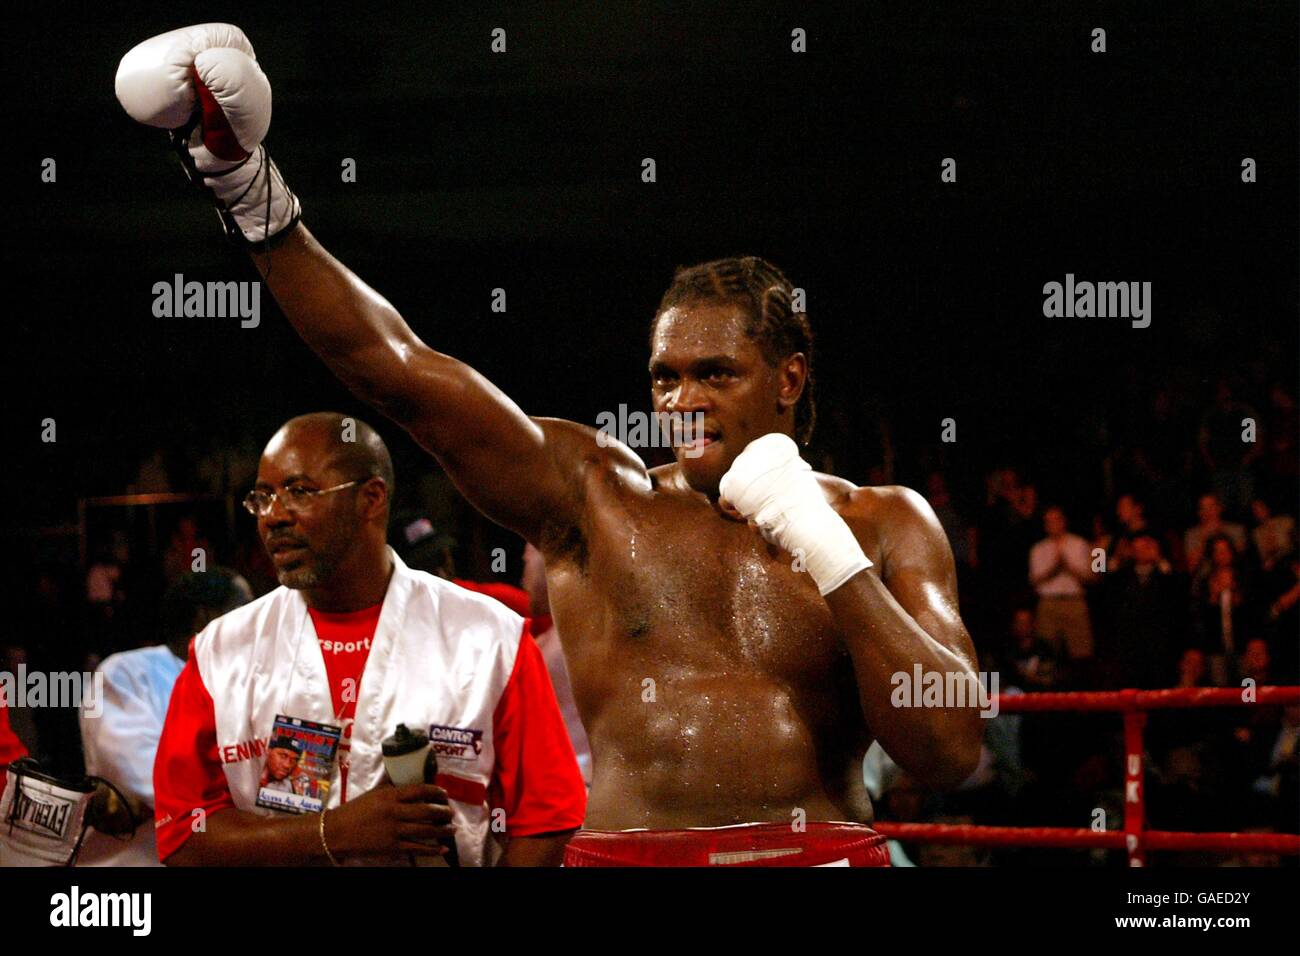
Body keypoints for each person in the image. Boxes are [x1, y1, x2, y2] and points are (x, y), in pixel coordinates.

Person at [118, 26, 981, 867]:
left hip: (816, 853)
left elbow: (946, 751)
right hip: (626, 857)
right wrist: (246, 188)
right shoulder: (596, 500)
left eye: (716, 374)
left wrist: (826, 550)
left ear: (789, 379)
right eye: (665, 377)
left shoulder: (883, 522)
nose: (683, 400)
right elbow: (398, 371)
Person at [150, 413, 586, 866]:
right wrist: (332, 834)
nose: (274, 516)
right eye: (263, 498)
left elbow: (547, 822)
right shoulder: (223, 651)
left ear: (371, 498)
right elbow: (183, 834)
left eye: (299, 492)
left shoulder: (487, 637)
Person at [77, 567, 251, 867]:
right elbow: (148, 777)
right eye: (244, 610)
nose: (258, 623)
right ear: (203, 618)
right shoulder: (128, 672)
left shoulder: (247, 681)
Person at [1028, 506, 1097, 667]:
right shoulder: (1038, 549)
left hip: (1075, 602)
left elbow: (1094, 576)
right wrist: (1054, 568)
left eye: (1056, 520)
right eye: (1048, 521)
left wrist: (1068, 567)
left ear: (1064, 521)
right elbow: (1034, 580)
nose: (1052, 524)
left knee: (1082, 653)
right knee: (1047, 652)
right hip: (1048, 603)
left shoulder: (1081, 544)